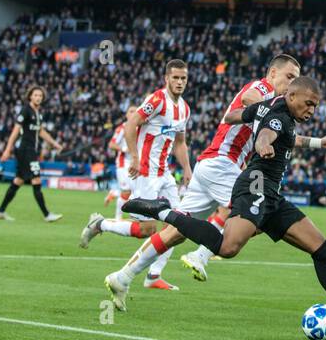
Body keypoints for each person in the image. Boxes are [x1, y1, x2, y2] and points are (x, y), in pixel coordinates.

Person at [120, 76, 326, 339]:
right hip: (255, 185)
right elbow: (267, 134)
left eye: (316, 105)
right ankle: (163, 211)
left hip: (271, 195)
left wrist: (319, 142)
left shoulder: (270, 107)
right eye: (309, 103)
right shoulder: (279, 116)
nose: (312, 110)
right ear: (291, 95)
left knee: (322, 248)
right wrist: (262, 144)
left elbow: (233, 116)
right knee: (228, 248)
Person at [89, 54, 301, 294]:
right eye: (289, 76)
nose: (291, 83)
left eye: (296, 79)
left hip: (210, 165)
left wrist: (320, 143)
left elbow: (287, 137)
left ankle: (123, 277)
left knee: (175, 232)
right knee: (261, 213)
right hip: (222, 164)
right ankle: (200, 254)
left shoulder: (273, 108)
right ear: (273, 73)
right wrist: (268, 103)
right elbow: (250, 97)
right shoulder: (262, 88)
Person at [78, 61, 193, 291]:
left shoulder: (185, 109)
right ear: (166, 78)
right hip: (146, 175)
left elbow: (180, 143)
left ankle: (154, 275)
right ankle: (100, 224)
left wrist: (188, 169)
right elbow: (132, 124)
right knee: (146, 231)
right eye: (176, 78)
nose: (180, 82)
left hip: (165, 174)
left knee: (180, 226)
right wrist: (134, 157)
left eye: (183, 78)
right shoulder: (157, 100)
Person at [0, 85, 63, 222]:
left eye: (40, 95)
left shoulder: (38, 113)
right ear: (30, 96)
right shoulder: (25, 110)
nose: (38, 97)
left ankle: (0, 211)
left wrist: (55, 144)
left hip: (30, 150)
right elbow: (15, 131)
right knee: (36, 179)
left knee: (18, 181)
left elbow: (41, 132)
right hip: (26, 150)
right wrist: (7, 150)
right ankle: (47, 215)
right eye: (36, 95)